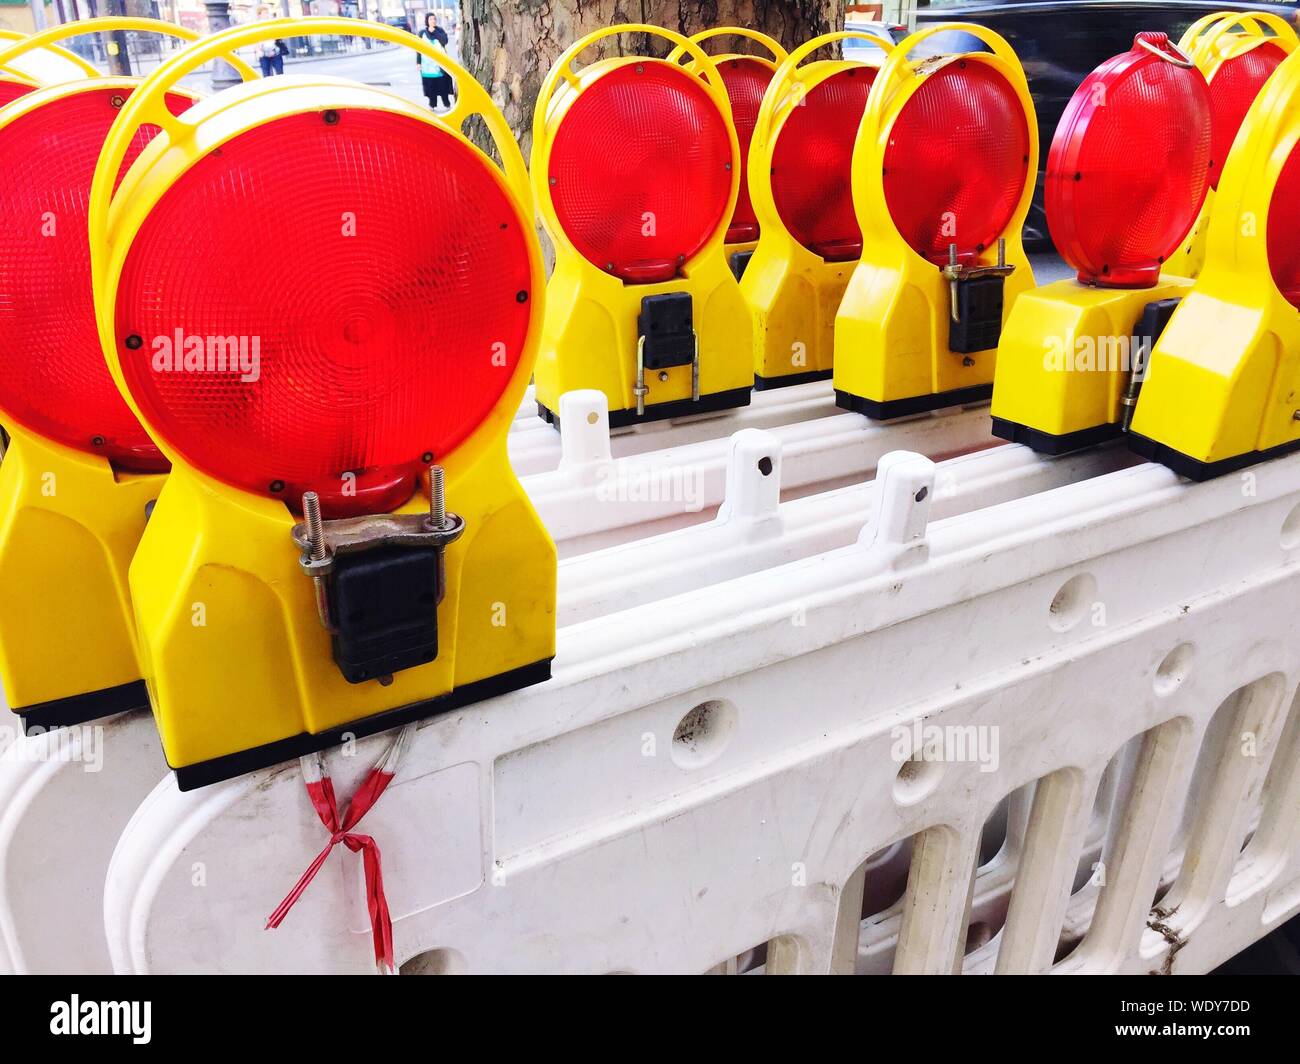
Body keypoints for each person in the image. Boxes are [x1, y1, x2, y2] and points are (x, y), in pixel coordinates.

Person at [417, 15, 454, 112]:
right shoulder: (422, 33)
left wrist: (435, 32)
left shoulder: (440, 31)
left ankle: (446, 103)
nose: (433, 21)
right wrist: (418, 62)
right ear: (427, 21)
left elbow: (444, 41)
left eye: (434, 19)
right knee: (430, 86)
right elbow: (418, 49)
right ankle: (432, 104)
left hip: (440, 65)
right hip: (427, 66)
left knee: (443, 86)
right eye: (430, 19)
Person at [255, 6, 287, 76]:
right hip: (263, 53)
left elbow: (279, 36)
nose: (267, 15)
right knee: (267, 75)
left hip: (275, 51)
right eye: (264, 13)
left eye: (267, 13)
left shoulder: (272, 23)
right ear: (259, 15)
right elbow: (255, 40)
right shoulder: (257, 26)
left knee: (280, 73)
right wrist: (258, 50)